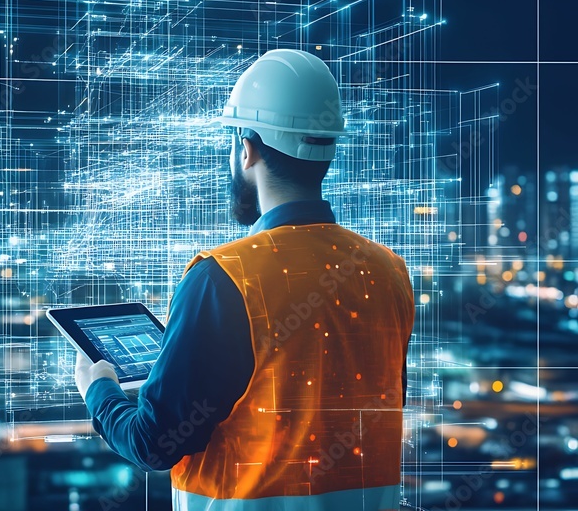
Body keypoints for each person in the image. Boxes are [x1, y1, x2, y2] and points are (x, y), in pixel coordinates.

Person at [74, 49, 415, 510]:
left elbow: (153, 443)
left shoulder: (224, 277)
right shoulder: (388, 271)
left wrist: (99, 389)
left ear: (247, 148)